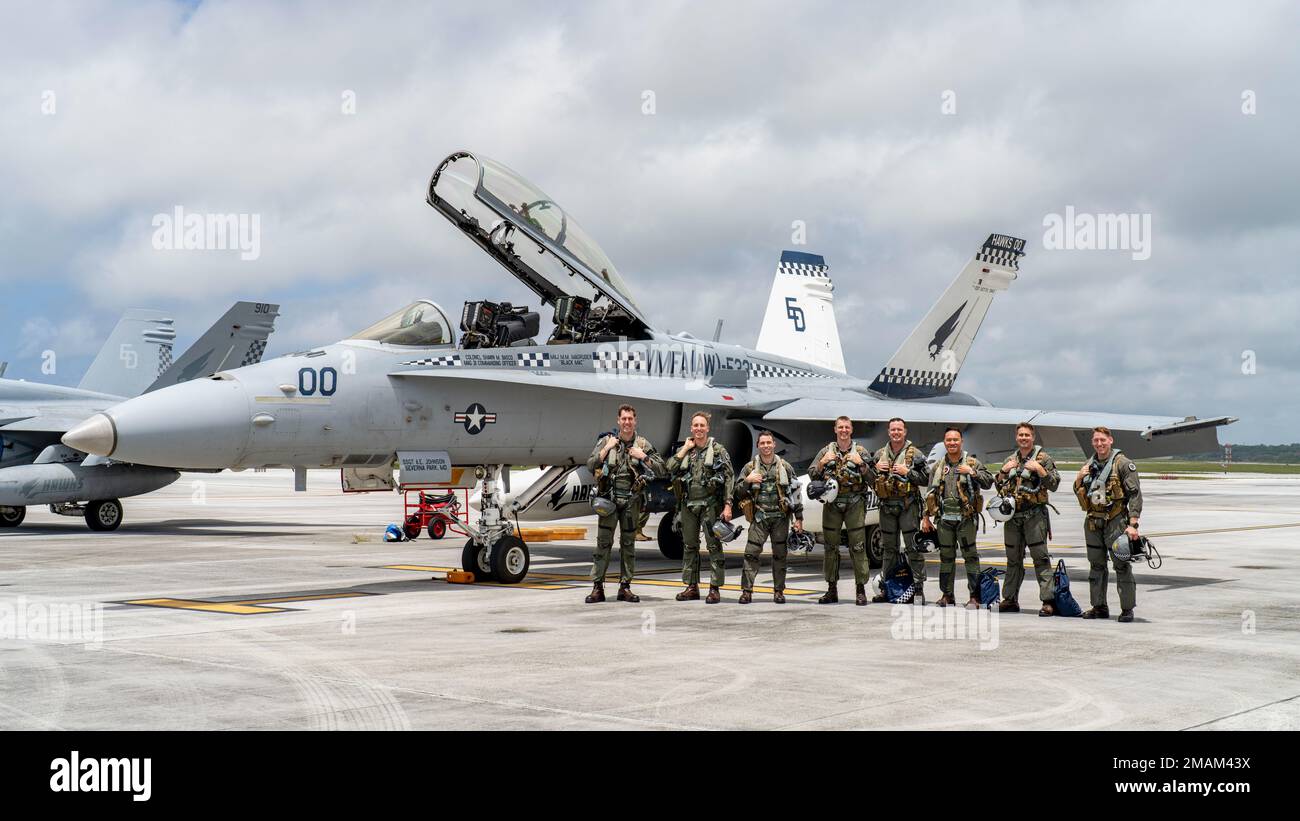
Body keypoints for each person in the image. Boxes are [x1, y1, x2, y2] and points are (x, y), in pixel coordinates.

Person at [585, 404, 665, 603]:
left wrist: (643, 456)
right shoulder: (607, 441)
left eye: (630, 419)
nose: (627, 422)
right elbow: (591, 464)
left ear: (635, 421)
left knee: (628, 545)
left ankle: (625, 587)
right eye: (624, 419)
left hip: (631, 502)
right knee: (603, 544)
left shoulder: (642, 444)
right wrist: (606, 449)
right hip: (609, 500)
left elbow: (662, 469)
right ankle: (597, 588)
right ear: (618, 421)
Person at [1073, 426, 1143, 622]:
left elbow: (1135, 495)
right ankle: (1098, 607)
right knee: (1096, 566)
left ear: (1110, 440)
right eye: (1096, 440)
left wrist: (1133, 524)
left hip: (1116, 521)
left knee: (1121, 565)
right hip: (1093, 522)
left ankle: (1127, 609)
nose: (1099, 444)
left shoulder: (1123, 464)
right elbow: (1078, 489)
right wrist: (1079, 477)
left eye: (1102, 440)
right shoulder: (1089, 464)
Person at [665, 411, 735, 603]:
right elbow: (669, 468)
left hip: (710, 505)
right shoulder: (686, 450)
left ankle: (714, 588)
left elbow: (729, 478)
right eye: (695, 425)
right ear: (691, 428)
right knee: (689, 546)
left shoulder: (718, 450)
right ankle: (691, 586)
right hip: (688, 505)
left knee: (714, 546)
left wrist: (728, 505)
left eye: (701, 425)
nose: (698, 429)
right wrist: (684, 449)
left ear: (707, 428)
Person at [922, 427, 994, 608]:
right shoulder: (938, 467)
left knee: (970, 557)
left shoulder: (972, 463)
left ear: (961, 441)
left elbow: (988, 481)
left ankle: (974, 596)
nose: (952, 443)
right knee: (946, 558)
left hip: (965, 519)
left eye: (955, 440)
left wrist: (972, 472)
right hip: (944, 519)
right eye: (949, 440)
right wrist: (925, 517)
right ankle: (947, 595)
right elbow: (930, 492)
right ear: (944, 442)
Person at [995, 422, 1061, 615]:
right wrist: (1003, 472)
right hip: (1013, 517)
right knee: (1012, 560)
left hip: (1034, 516)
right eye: (1021, 435)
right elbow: (999, 486)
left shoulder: (1044, 459)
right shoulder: (1010, 459)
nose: (1024, 438)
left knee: (1040, 558)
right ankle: (1009, 599)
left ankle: (1048, 601)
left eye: (1027, 435)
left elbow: (1054, 484)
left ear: (1033, 437)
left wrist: (1040, 470)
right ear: (1017, 438)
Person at [808, 416, 873, 605]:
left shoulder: (860, 451)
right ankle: (831, 590)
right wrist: (822, 463)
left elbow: (873, 478)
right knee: (830, 547)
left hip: (854, 503)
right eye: (840, 427)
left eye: (847, 427)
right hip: (832, 504)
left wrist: (861, 464)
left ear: (851, 430)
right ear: (835, 430)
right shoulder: (825, 451)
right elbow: (812, 473)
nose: (844, 430)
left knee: (858, 547)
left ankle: (860, 591)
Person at [734, 431, 803, 604]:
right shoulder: (749, 468)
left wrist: (798, 519)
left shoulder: (785, 467)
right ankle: (747, 591)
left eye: (768, 443)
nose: (766, 446)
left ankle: (779, 591)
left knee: (780, 556)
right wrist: (748, 481)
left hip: (780, 518)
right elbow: (737, 492)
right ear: (758, 445)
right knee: (751, 554)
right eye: (762, 443)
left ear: (774, 445)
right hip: (759, 518)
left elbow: (795, 493)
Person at [867, 418, 930, 603]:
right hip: (886, 507)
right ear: (888, 432)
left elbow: (926, 478)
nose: (896, 433)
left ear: (905, 432)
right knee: (889, 549)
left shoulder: (915, 454)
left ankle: (918, 589)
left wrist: (907, 472)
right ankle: (888, 588)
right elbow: (870, 480)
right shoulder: (879, 454)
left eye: (899, 430)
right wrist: (875, 468)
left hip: (908, 506)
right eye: (893, 430)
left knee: (913, 547)